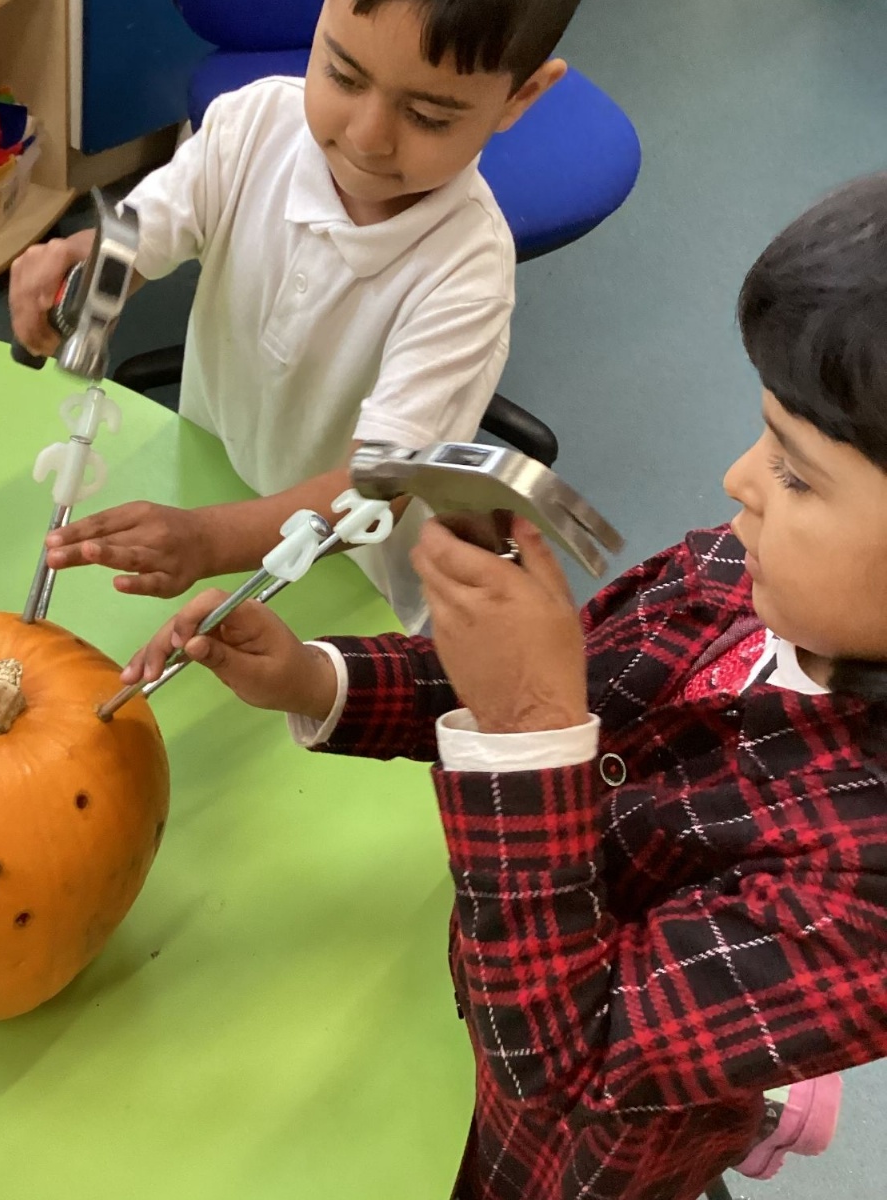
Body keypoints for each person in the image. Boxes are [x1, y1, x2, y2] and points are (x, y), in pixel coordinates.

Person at [122, 174, 887, 1198]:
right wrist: (321, 675)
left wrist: (532, 729)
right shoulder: (735, 574)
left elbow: (560, 1065)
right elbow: (553, 684)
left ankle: (755, 1100)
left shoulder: (866, 882)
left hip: (573, 1157)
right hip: (501, 967)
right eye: (764, 438)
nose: (738, 482)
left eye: (796, 474)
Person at [10, 0, 583, 633]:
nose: (367, 136)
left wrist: (206, 541)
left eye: (426, 115)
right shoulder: (252, 123)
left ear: (520, 97)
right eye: (343, 75)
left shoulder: (466, 276)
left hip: (341, 568)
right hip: (209, 466)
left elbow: (375, 489)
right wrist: (77, 262)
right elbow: (138, 238)